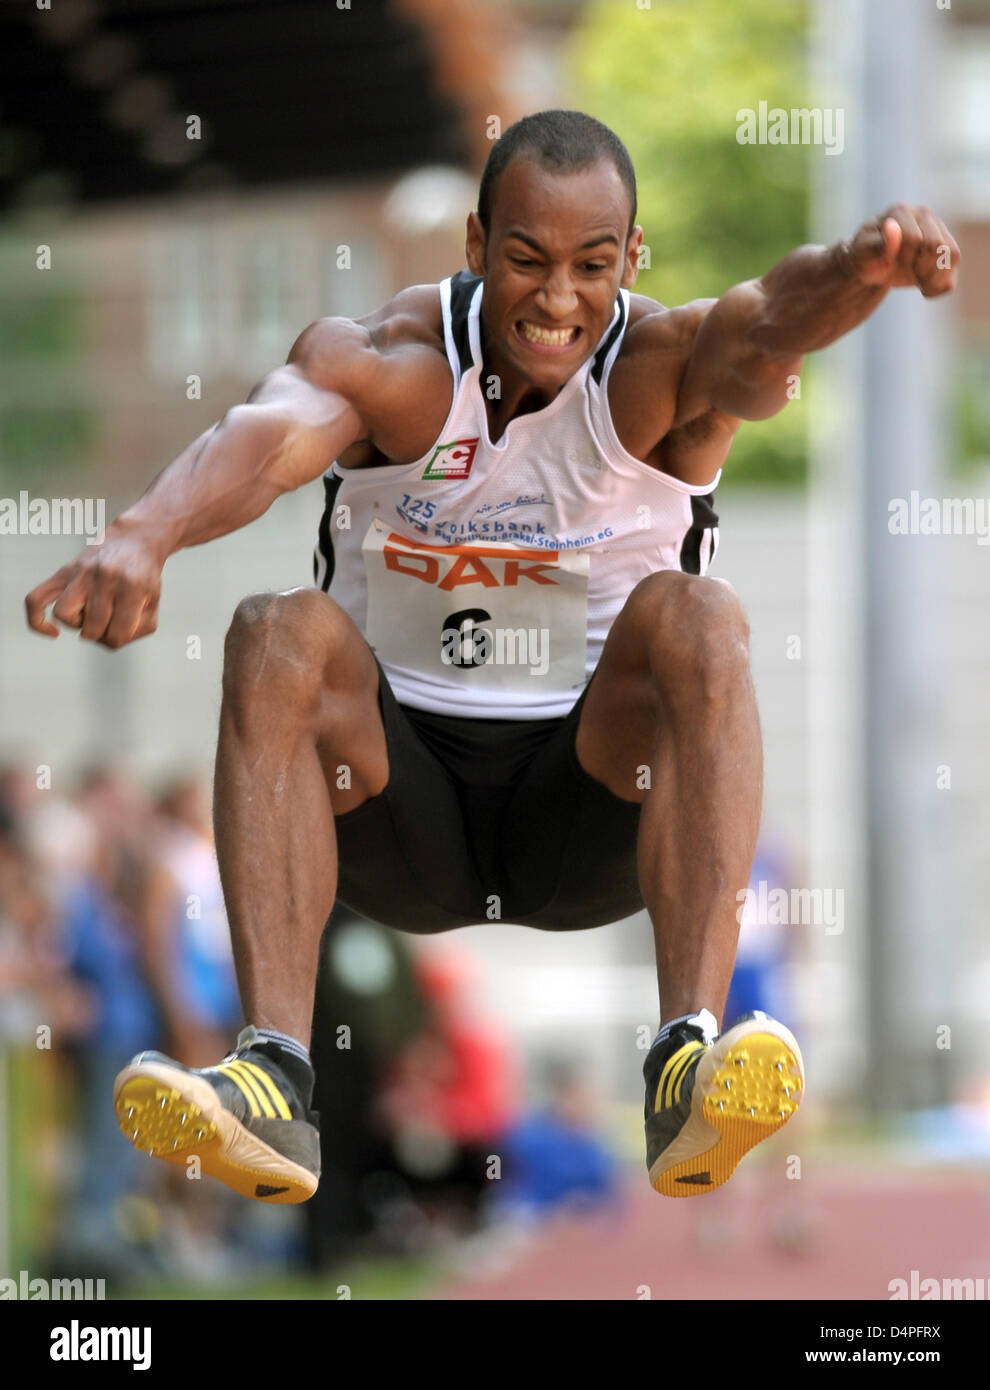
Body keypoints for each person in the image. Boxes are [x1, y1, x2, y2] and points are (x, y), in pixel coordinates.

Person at [24, 110, 960, 1205]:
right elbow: (269, 435)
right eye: (526, 260)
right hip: (394, 817)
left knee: (699, 616)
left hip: (591, 813)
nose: (557, 300)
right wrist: (145, 532)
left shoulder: (655, 377)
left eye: (590, 267)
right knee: (277, 629)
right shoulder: (397, 367)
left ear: (631, 260)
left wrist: (861, 266)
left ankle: (682, 1063)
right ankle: (274, 1078)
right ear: (475, 245)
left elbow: (767, 326)